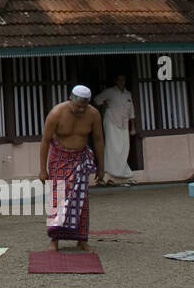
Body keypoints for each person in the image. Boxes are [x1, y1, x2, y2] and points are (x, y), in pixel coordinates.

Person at [39, 85, 104, 251]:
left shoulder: (93, 114)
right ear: (70, 99)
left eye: (84, 106)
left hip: (80, 159)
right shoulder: (56, 113)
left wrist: (101, 167)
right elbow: (45, 141)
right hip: (59, 159)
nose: (81, 110)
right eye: (78, 106)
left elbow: (98, 140)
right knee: (58, 198)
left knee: (81, 201)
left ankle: (81, 239)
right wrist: (42, 169)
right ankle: (55, 240)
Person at [93, 74, 136, 186]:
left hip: (124, 123)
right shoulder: (110, 92)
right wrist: (104, 107)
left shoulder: (128, 94)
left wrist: (133, 128)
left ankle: (123, 173)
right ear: (115, 81)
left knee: (124, 147)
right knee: (112, 147)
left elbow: (131, 111)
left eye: (123, 79)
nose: (122, 82)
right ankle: (109, 173)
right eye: (119, 80)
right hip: (111, 121)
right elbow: (97, 100)